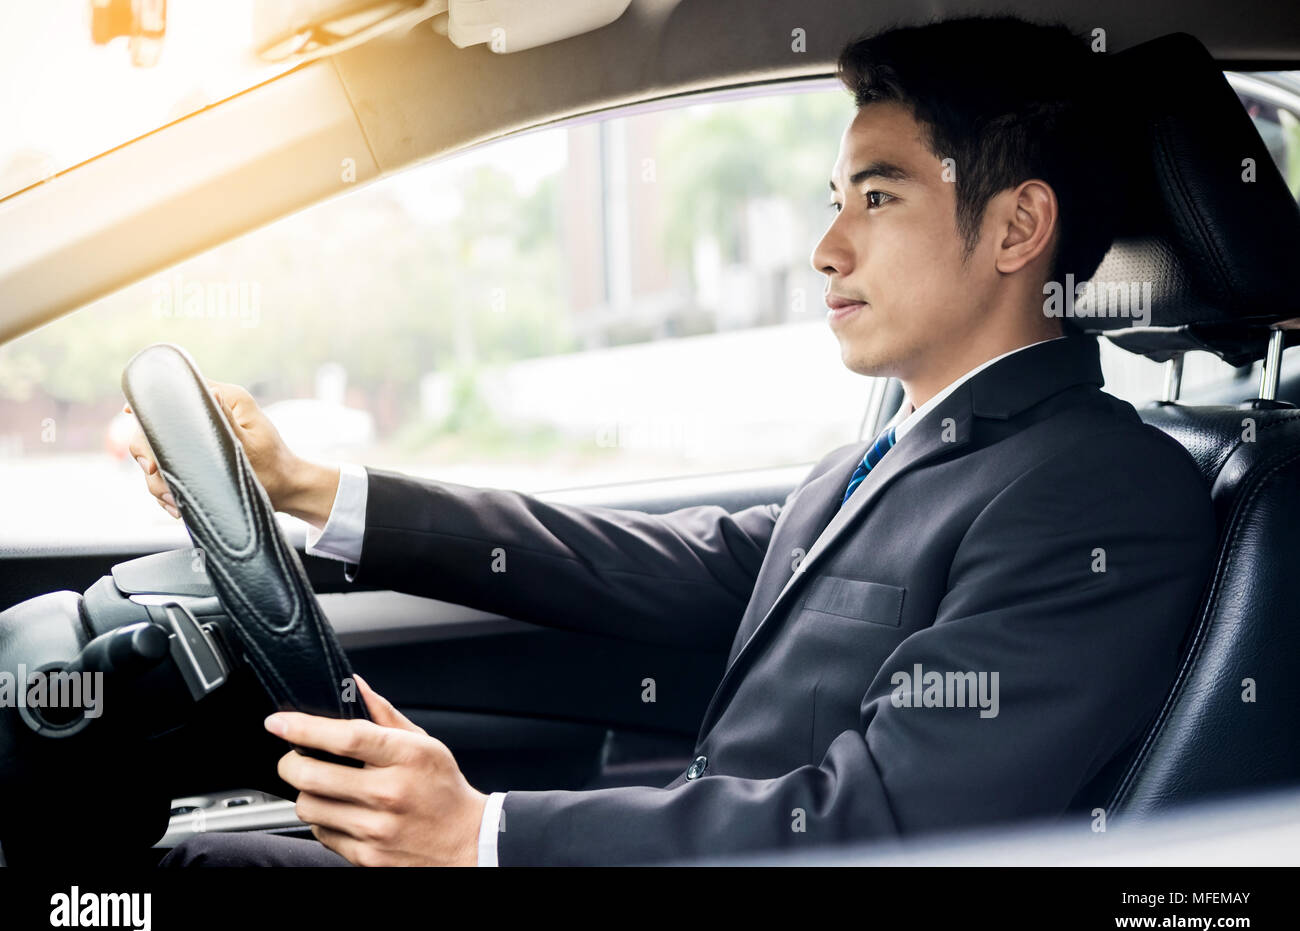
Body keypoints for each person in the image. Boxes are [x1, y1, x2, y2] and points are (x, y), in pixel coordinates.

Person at [140, 15, 1217, 866]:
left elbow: (893, 825)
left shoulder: (1099, 491)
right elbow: (649, 559)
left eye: (876, 197)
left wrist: (483, 835)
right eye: (832, 198)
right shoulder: (885, 454)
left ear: (1018, 229)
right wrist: (306, 484)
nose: (824, 248)